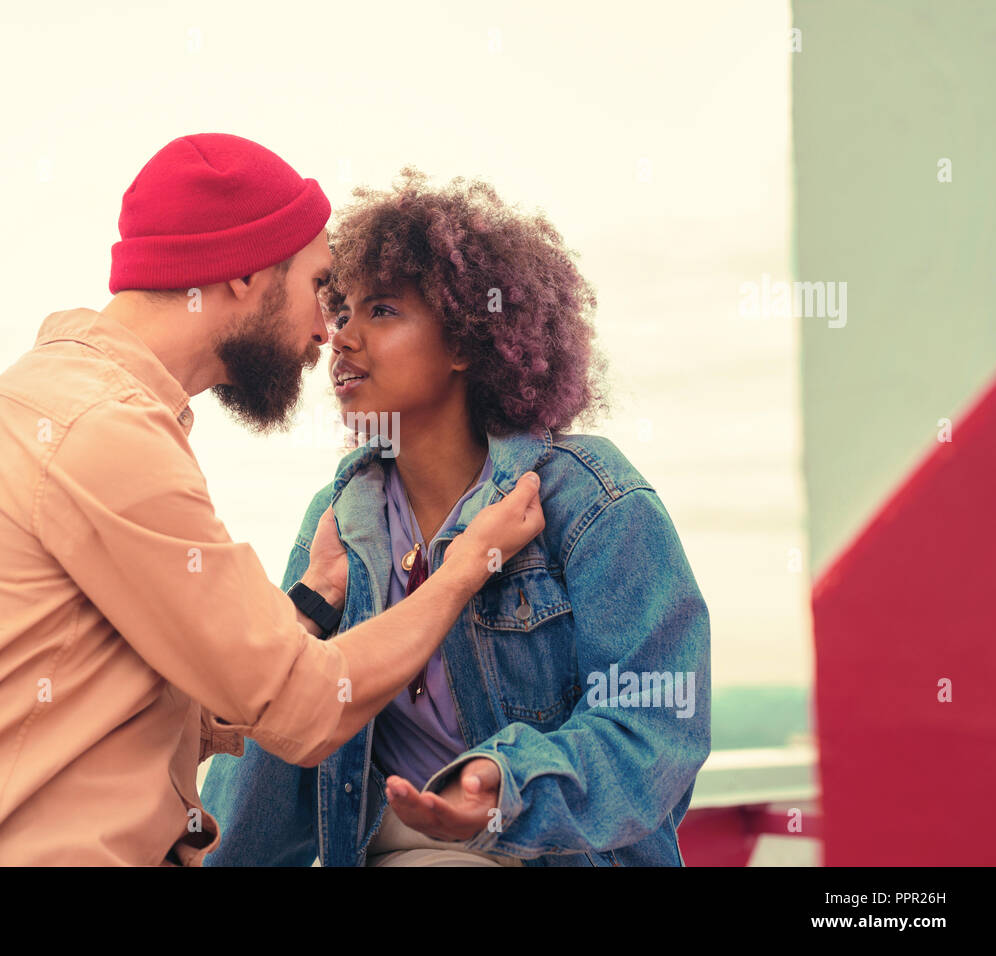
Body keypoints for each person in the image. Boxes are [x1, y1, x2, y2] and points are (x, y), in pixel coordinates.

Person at [0, 136, 544, 866]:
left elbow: (146, 697)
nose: (323, 332)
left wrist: (311, 598)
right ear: (243, 272)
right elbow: (305, 707)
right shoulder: (101, 431)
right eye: (319, 287)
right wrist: (463, 570)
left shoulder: (64, 405)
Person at [201, 168, 711, 866]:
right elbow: (277, 735)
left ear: (470, 341)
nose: (342, 338)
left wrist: (502, 787)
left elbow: (658, 724)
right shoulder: (340, 517)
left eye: (381, 311)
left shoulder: (590, 500)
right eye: (340, 310)